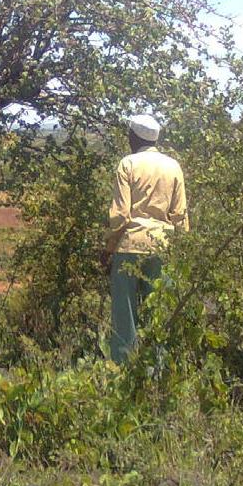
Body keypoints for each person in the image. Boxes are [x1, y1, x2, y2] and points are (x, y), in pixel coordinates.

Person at [101, 114, 189, 364]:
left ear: (134, 136)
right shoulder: (173, 166)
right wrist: (180, 253)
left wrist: (108, 248)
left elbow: (120, 215)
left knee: (124, 314)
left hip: (129, 244)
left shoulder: (127, 164)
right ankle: (156, 371)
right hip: (162, 246)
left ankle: (124, 371)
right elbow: (180, 216)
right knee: (158, 313)